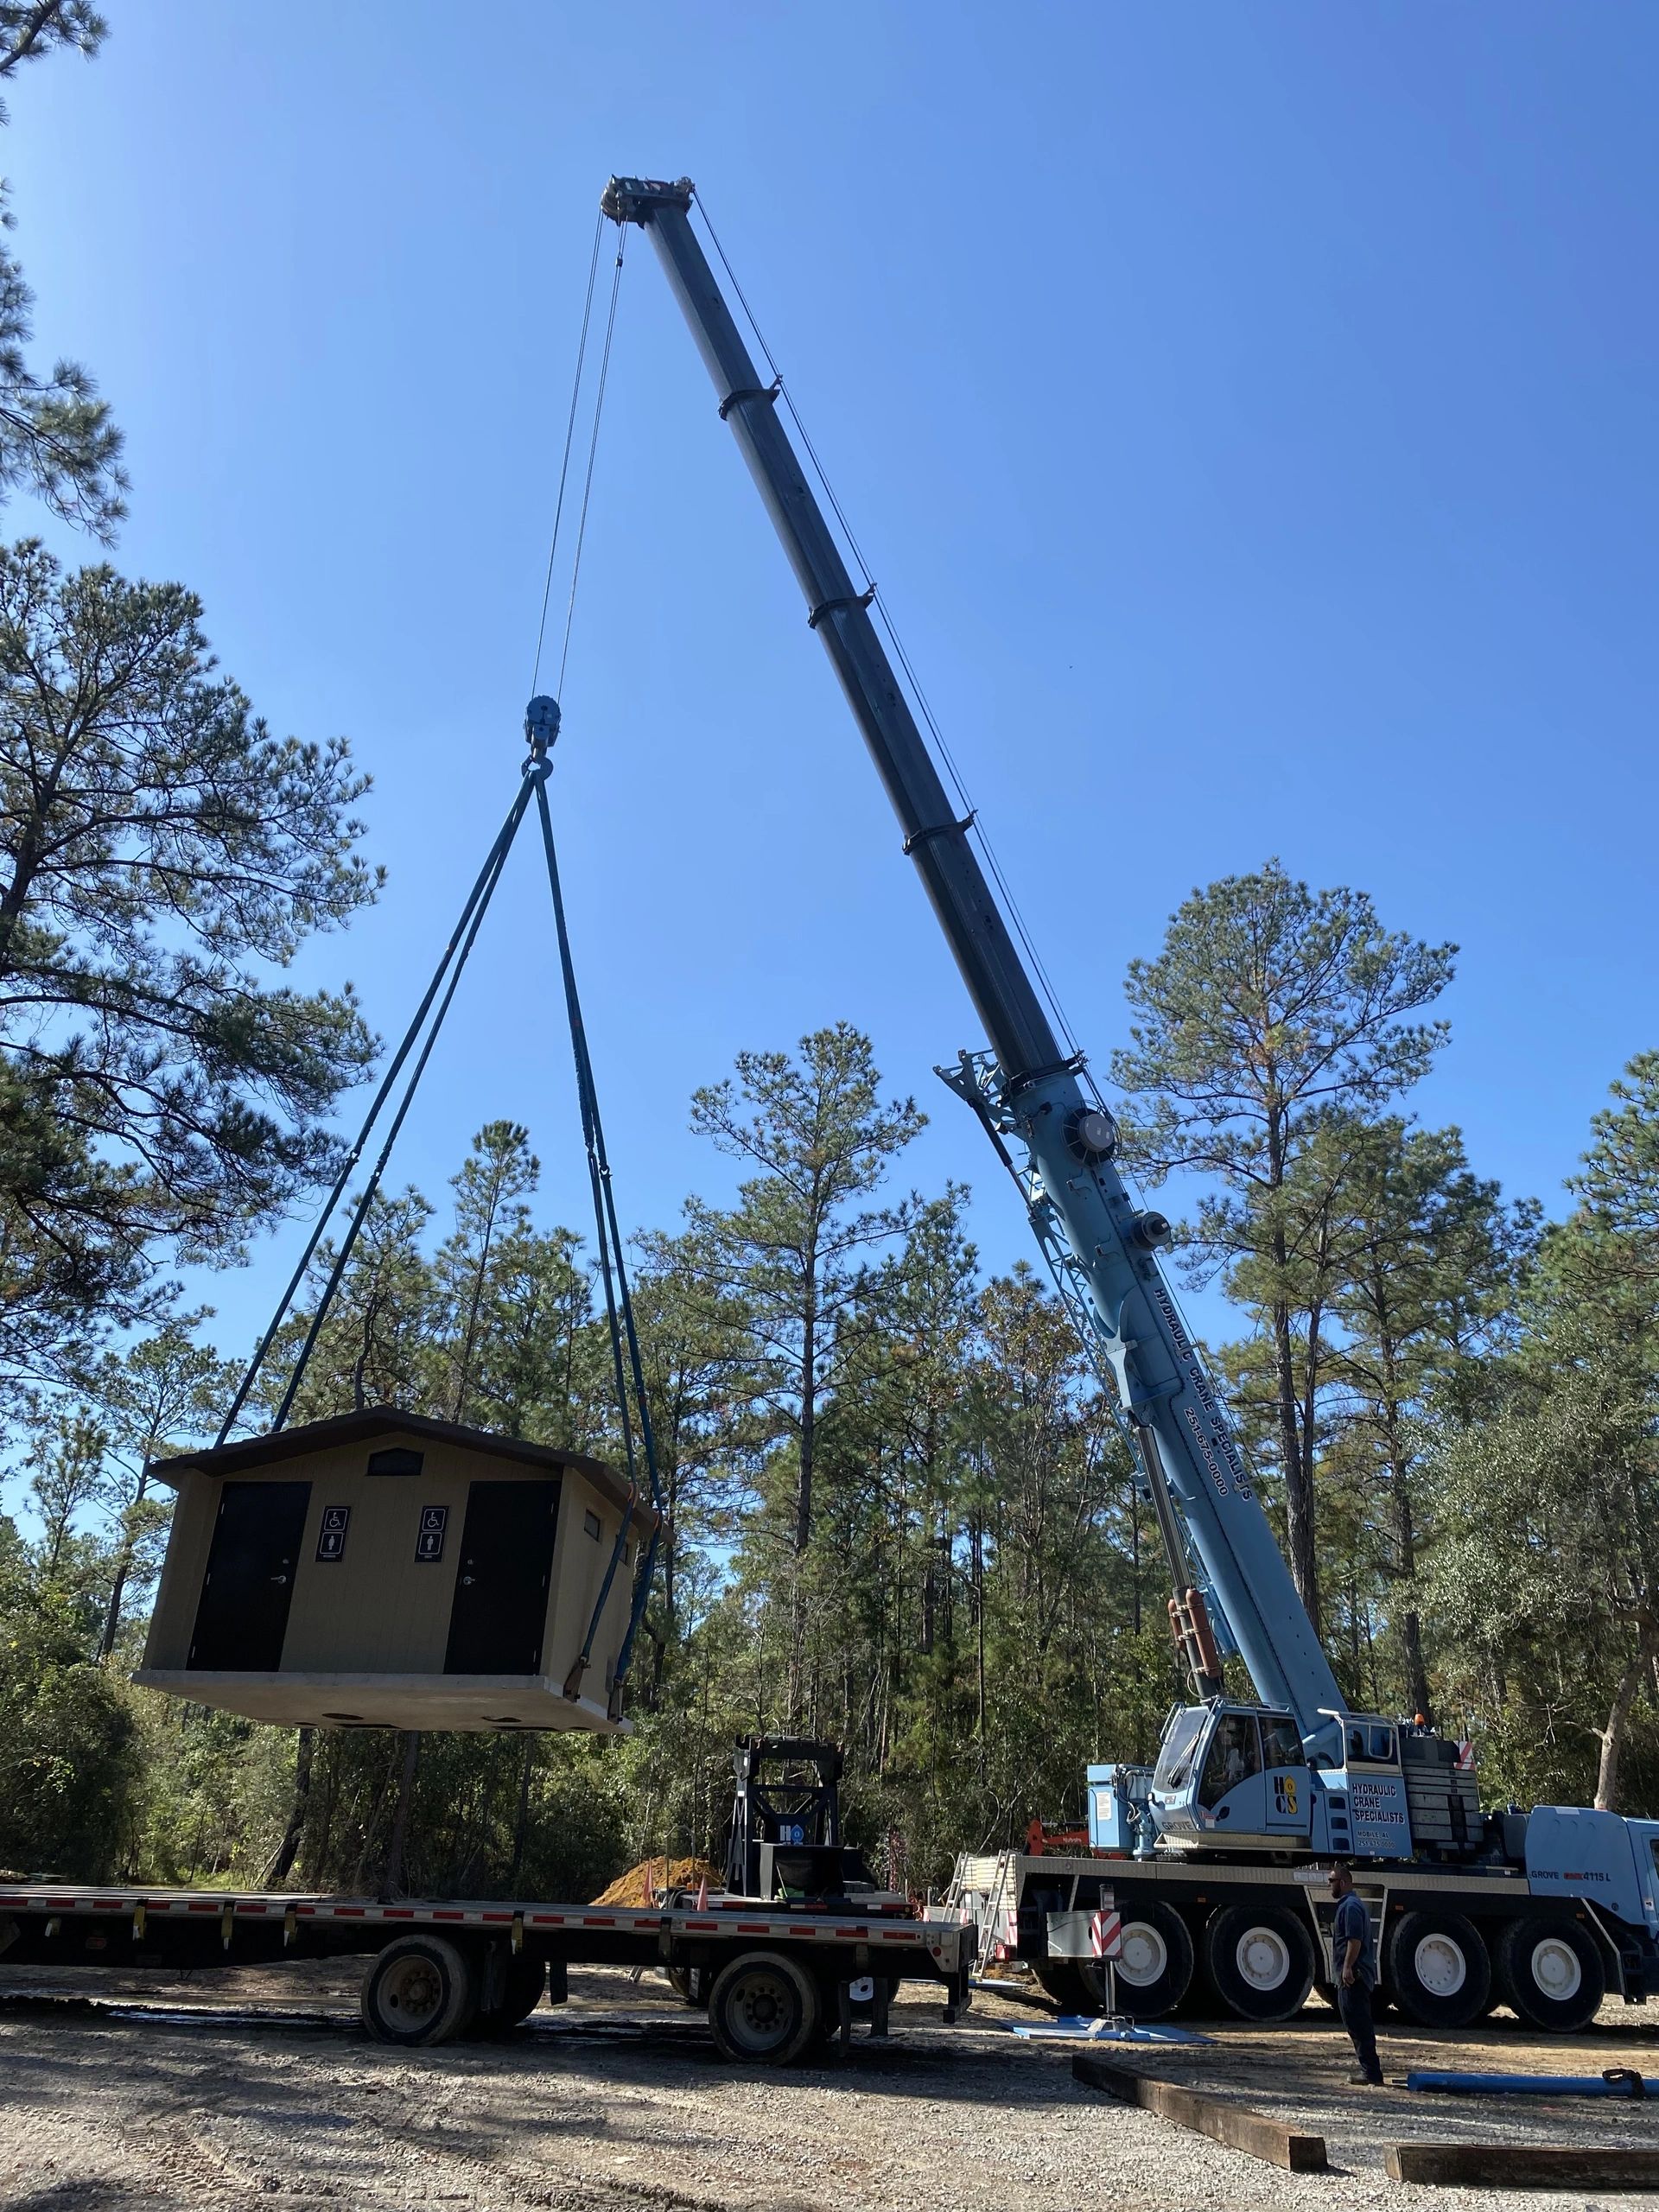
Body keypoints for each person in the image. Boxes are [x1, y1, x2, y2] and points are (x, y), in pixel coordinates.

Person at [1328, 1860, 1382, 2086]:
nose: (1329, 1885)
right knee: (1355, 2022)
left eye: (1331, 1881)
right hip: (1355, 1974)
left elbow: (1354, 1940)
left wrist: (1348, 1967)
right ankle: (1369, 2071)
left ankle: (1371, 2073)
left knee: (1358, 2023)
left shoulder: (1350, 1907)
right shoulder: (1351, 1904)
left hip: (1355, 1976)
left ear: (1343, 1882)